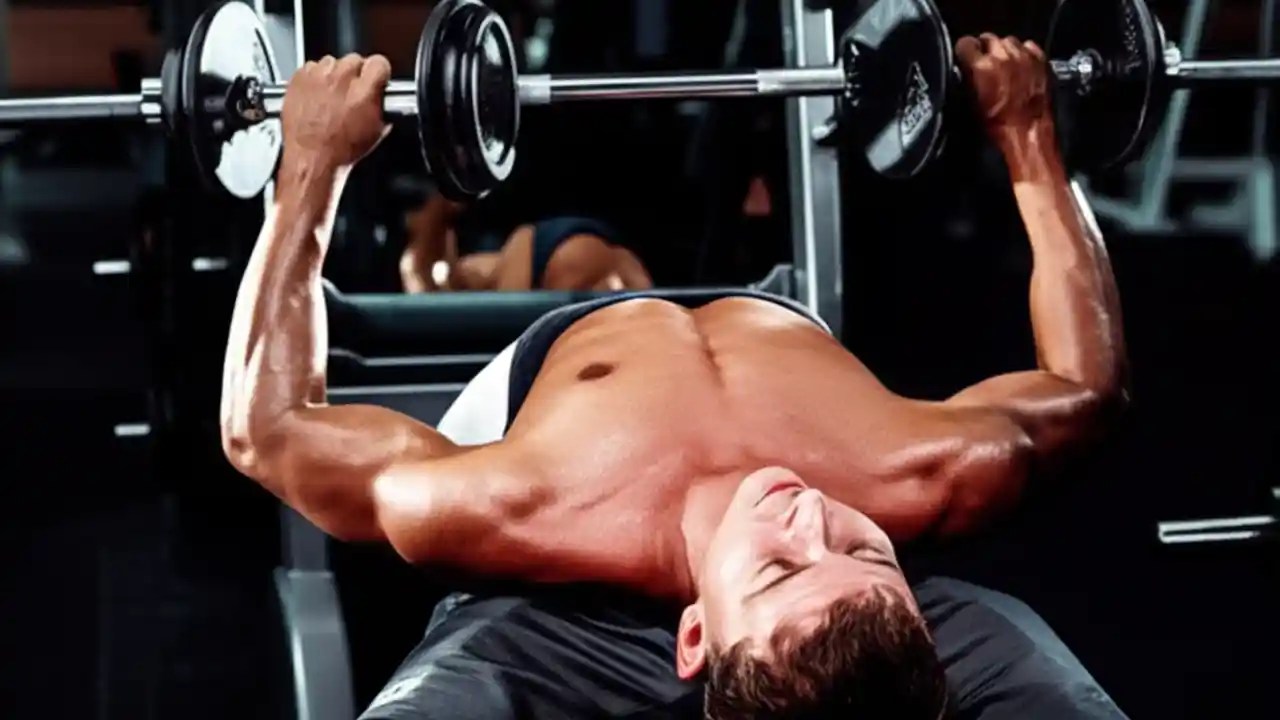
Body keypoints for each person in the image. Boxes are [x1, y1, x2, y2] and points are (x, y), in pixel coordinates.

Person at [221, 33, 1129, 719]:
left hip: (554, 385)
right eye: (864, 552)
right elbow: (1085, 386)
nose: (810, 517)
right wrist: (1029, 133)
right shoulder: (922, 474)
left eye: (778, 568)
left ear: (695, 633)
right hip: (763, 335)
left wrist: (311, 167)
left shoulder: (523, 504)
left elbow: (267, 433)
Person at [398, 193, 653, 293]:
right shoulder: (475, 272)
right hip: (593, 246)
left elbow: (420, 281)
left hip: (541, 250)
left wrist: (436, 214)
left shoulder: (482, 272)